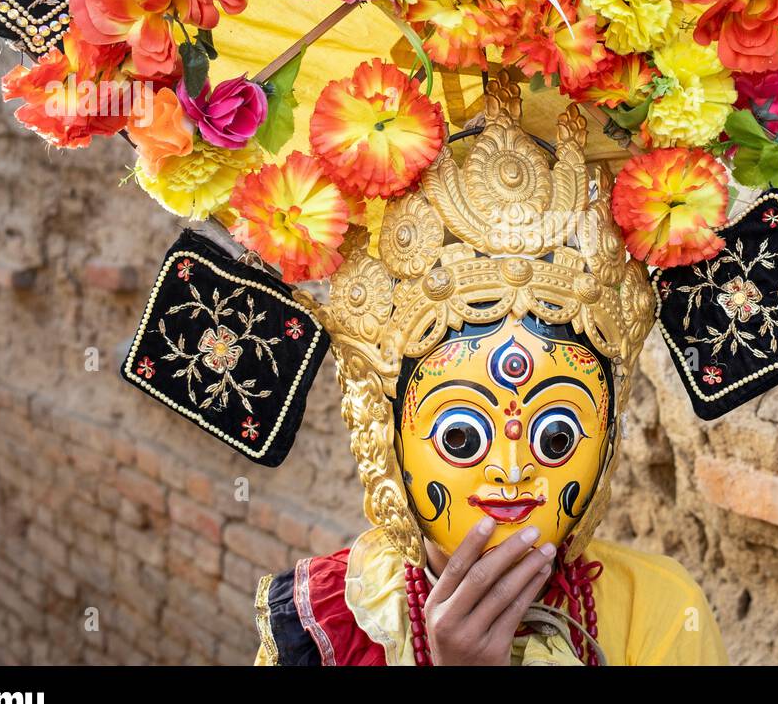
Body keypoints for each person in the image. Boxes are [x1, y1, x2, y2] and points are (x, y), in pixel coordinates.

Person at [254, 81, 727, 665]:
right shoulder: (326, 622)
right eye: (460, 436)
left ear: (606, 439)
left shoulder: (659, 610)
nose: (510, 472)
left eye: (555, 437)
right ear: (386, 433)